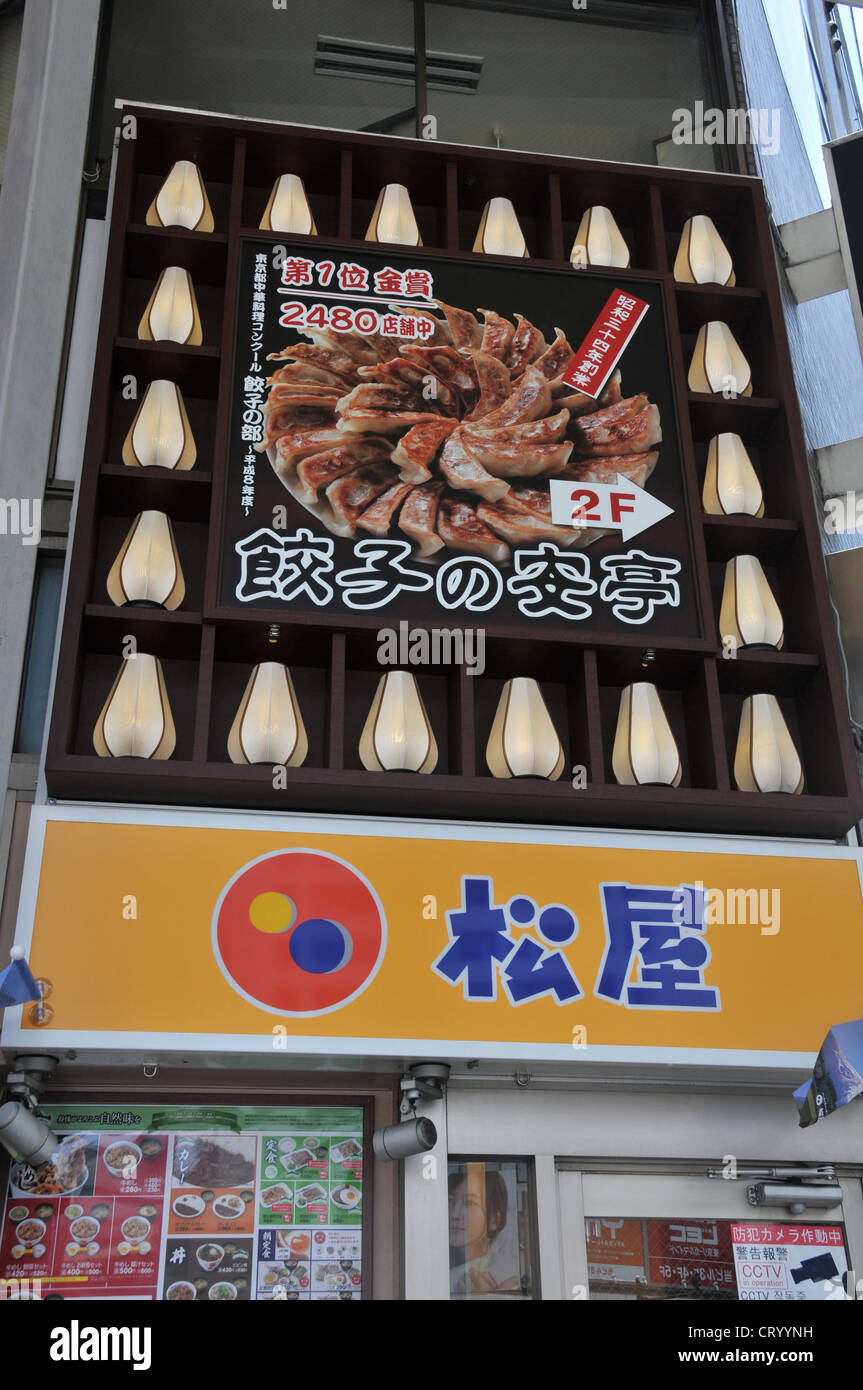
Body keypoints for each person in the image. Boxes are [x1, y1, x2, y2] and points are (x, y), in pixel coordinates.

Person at [448, 1166, 521, 1296]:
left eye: (469, 1203)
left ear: (494, 1219)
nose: (454, 1213)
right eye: (450, 1201)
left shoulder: (504, 1273)